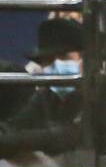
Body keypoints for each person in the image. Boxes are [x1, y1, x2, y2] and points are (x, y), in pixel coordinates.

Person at [0, 18, 84, 158]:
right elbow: (15, 127)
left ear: (84, 58)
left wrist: (15, 141)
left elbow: (70, 137)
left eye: (64, 57)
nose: (57, 65)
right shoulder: (48, 96)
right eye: (49, 60)